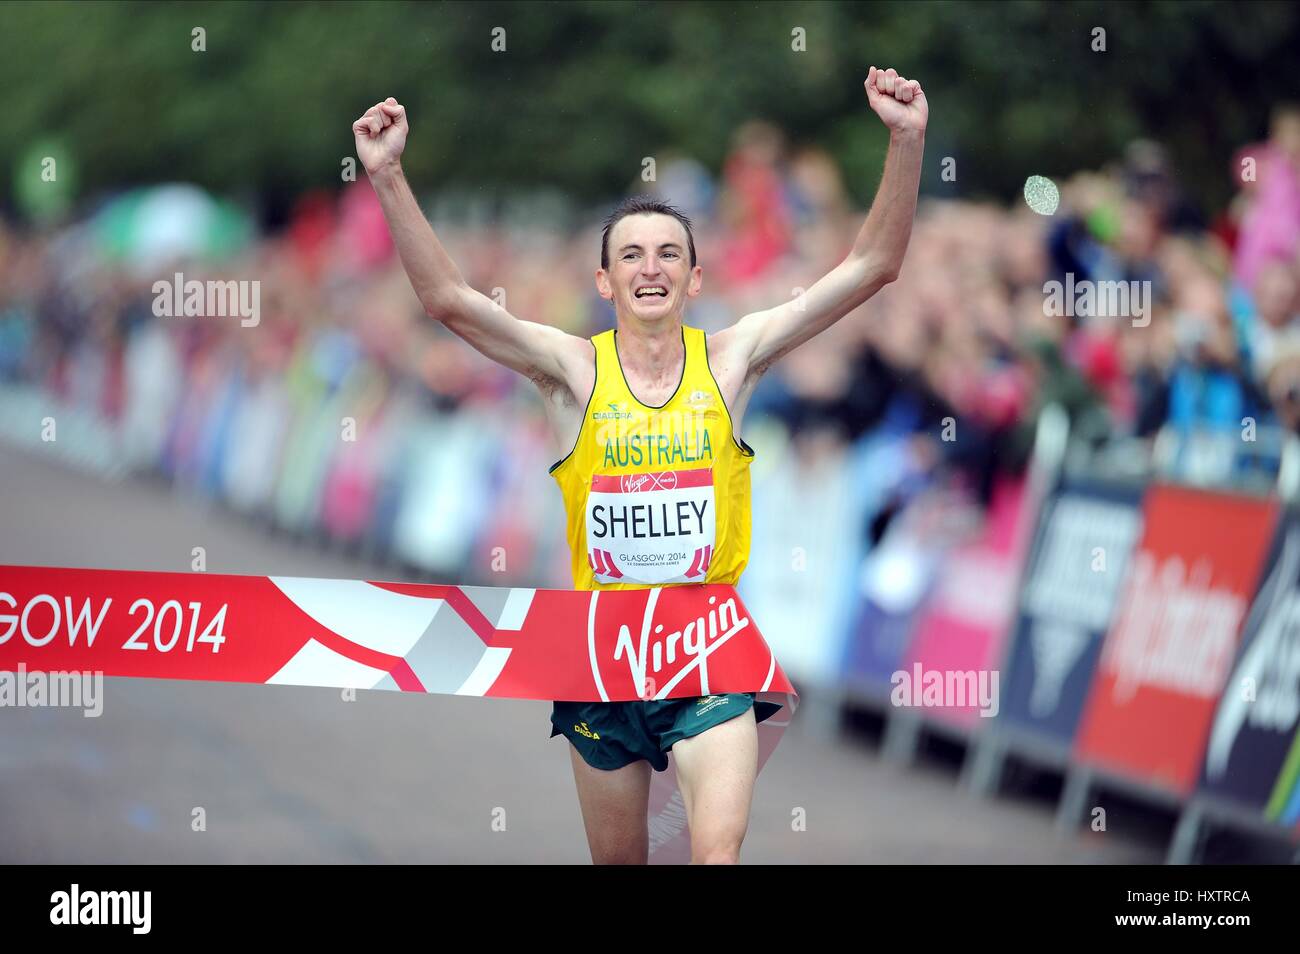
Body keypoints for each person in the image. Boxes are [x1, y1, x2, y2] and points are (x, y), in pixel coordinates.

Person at [352, 65, 927, 864]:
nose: (650, 267)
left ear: (695, 278)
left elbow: (873, 266)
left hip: (706, 642)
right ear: (605, 279)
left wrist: (906, 140)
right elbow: (449, 299)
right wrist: (387, 177)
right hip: (604, 650)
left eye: (668, 254)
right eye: (631, 255)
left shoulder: (732, 360)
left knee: (716, 852)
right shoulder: (570, 370)